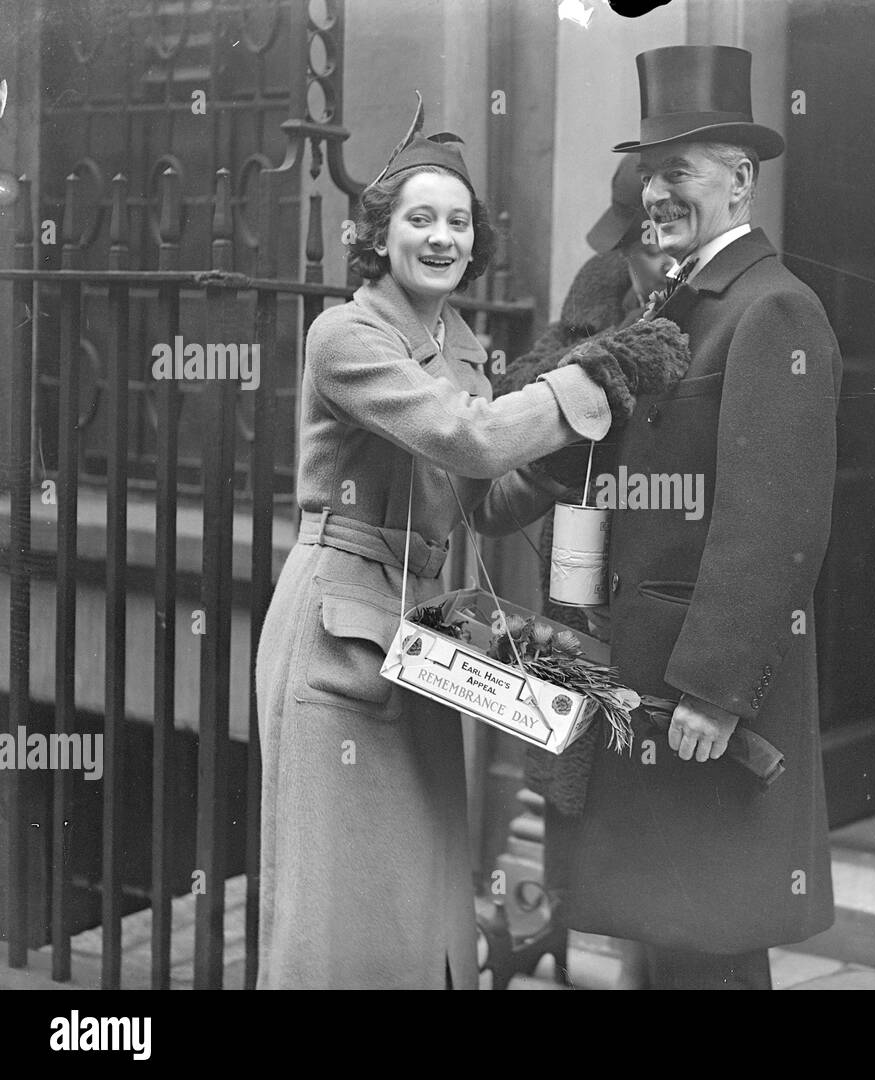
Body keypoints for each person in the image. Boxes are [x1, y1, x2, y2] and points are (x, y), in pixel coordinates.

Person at [254, 98, 689, 989]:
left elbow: (485, 500)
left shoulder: (462, 347)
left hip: (414, 634)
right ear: (380, 237)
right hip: (337, 637)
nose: (442, 237)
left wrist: (577, 455)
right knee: (340, 917)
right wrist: (588, 378)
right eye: (420, 219)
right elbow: (469, 439)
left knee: (418, 913)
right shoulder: (346, 336)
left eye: (458, 220)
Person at [566, 45, 845, 990]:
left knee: (709, 948)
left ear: (740, 180)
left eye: (675, 171)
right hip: (646, 677)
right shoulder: (686, 303)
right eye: (648, 173)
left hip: (698, 694)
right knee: (669, 937)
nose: (654, 194)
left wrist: (717, 690)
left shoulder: (772, 312)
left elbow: (774, 520)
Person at [492, 155, 672, 988]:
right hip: (580, 562)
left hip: (660, 568)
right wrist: (600, 361)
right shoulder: (602, 282)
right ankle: (548, 928)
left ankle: (633, 951)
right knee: (559, 764)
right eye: (633, 238)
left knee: (644, 775)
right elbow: (539, 382)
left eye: (647, 234)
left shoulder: (711, 293)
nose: (642, 251)